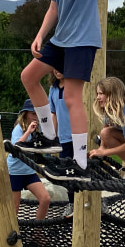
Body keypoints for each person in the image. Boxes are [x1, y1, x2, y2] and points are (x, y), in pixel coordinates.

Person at [0, 0, 102, 174]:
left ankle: (79, 161)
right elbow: (53, 7)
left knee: (71, 98)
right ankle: (49, 136)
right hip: (62, 38)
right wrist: (40, 35)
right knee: (29, 76)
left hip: (82, 39)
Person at [7, 99, 51, 220]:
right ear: (25, 113)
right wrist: (27, 132)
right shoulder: (19, 128)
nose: (35, 116)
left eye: (37, 113)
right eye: (33, 113)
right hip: (15, 172)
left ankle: (37, 231)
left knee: (45, 199)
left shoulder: (37, 129)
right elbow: (16, 147)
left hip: (28, 171)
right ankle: (12, 232)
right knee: (15, 207)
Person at [47, 69, 77, 215]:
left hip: (78, 136)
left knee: (85, 169)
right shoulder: (53, 89)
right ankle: (71, 203)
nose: (57, 71)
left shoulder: (75, 85)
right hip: (64, 138)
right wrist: (53, 137)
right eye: (55, 68)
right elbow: (53, 113)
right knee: (67, 173)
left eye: (60, 67)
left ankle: (98, 201)